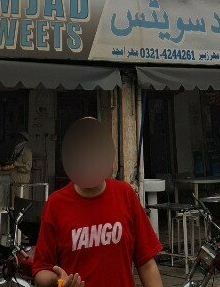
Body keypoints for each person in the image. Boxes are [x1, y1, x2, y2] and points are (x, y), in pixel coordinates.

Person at [33, 118, 163, 287]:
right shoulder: (56, 203)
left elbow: (147, 264)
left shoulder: (125, 194)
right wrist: (59, 282)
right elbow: (40, 271)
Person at [4, 130, 34, 196]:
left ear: (21, 138)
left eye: (17, 137)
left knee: (21, 199)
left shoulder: (26, 150)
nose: (15, 139)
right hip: (14, 181)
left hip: (21, 181)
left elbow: (28, 167)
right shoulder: (16, 149)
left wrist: (15, 164)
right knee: (13, 199)